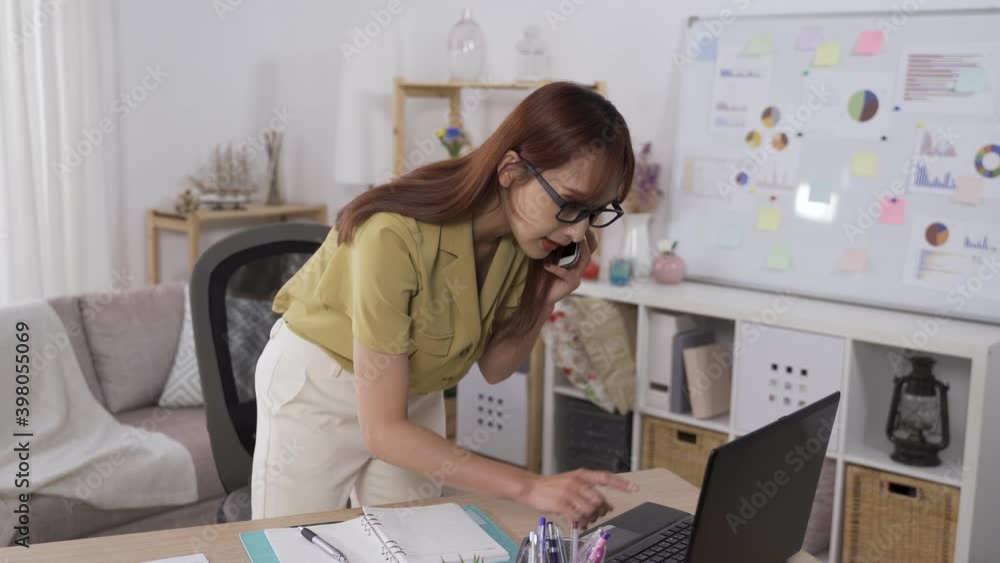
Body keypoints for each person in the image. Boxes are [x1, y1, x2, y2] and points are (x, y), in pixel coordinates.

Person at [251, 81, 638, 527]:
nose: (578, 232)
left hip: (412, 392)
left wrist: (543, 298)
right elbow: (383, 431)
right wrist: (530, 486)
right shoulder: (392, 234)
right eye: (571, 205)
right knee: (290, 545)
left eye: (595, 212)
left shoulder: (524, 239)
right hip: (322, 386)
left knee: (414, 542)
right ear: (511, 170)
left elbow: (495, 368)